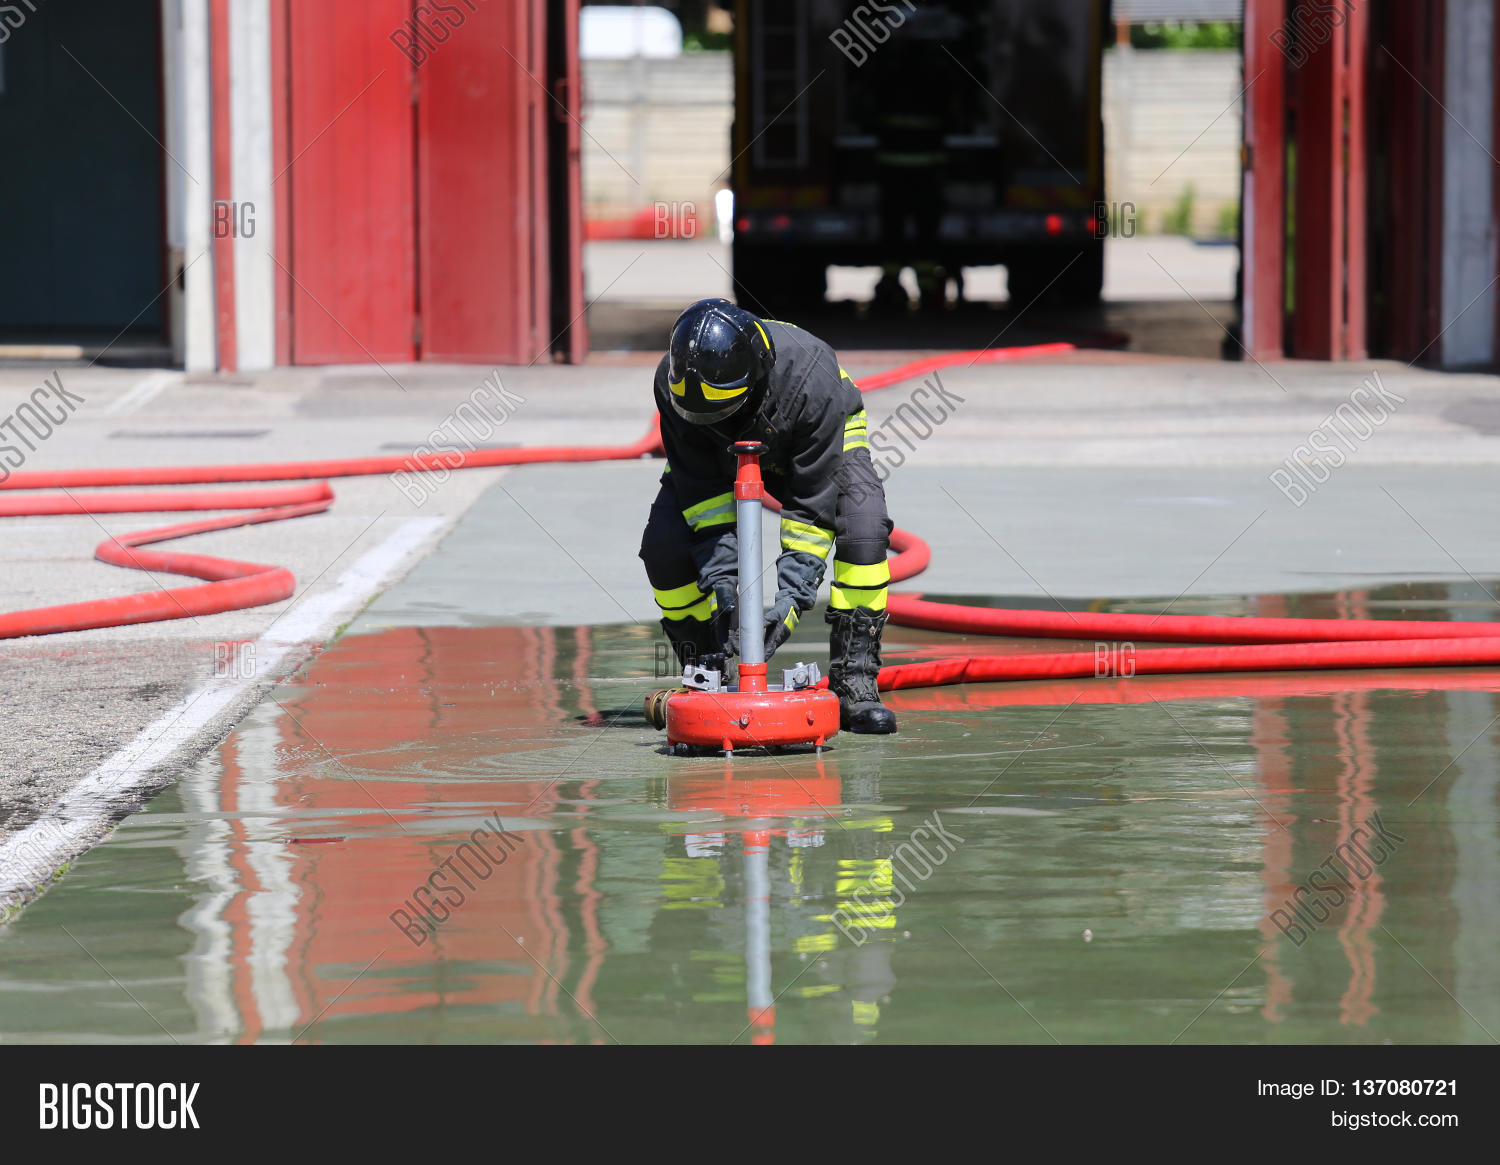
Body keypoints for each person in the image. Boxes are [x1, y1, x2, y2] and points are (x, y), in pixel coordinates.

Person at [639, 298, 897, 734]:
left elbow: (810, 512)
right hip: (717, 456)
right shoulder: (675, 384)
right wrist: (723, 588)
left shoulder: (812, 377)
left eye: (726, 409)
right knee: (664, 548)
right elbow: (704, 499)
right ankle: (708, 669)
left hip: (812, 438)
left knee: (864, 527)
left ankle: (855, 683)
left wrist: (790, 604)